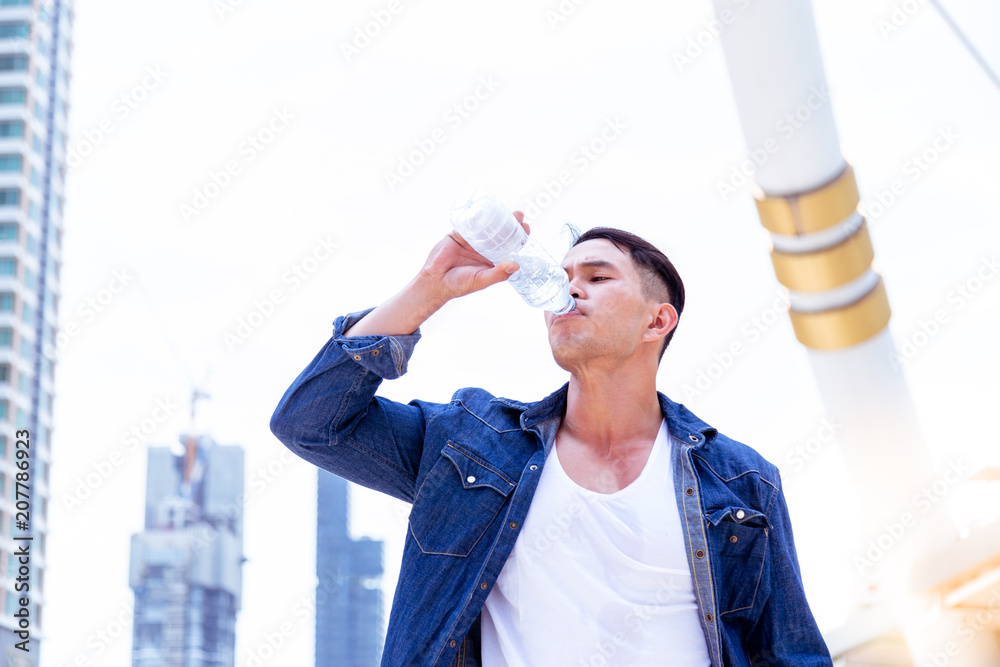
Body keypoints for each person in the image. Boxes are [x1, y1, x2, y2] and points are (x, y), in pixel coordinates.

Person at [269, 212, 833, 667]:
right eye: (563, 278)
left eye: (597, 277)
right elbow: (311, 423)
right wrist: (426, 291)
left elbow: (792, 653)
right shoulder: (470, 443)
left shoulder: (741, 482)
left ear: (657, 321)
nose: (569, 291)